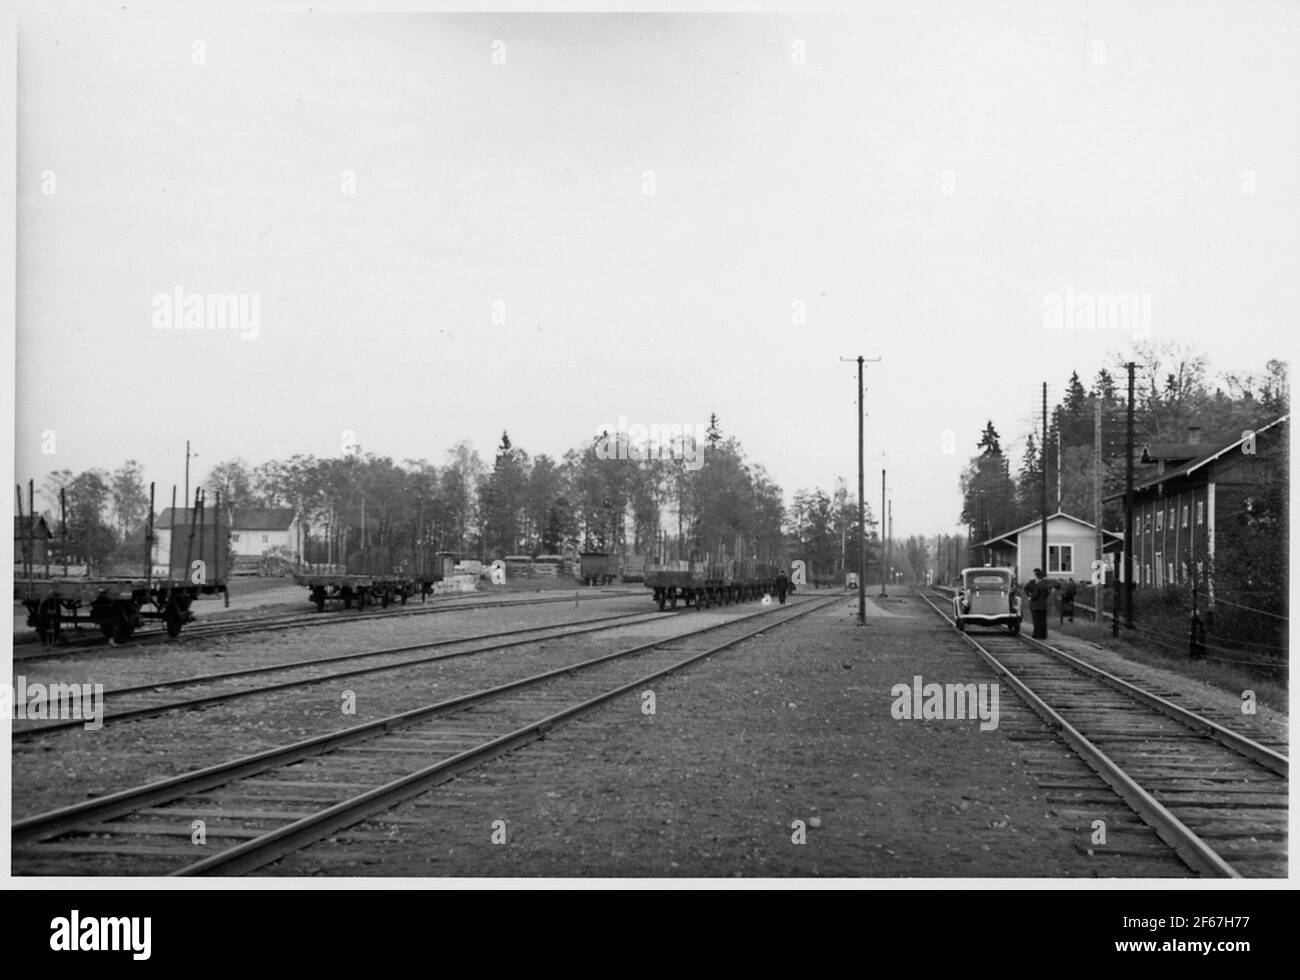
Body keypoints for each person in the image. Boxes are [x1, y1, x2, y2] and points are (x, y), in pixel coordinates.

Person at [1024, 568, 1058, 639]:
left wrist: (1031, 597)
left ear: (1037, 576)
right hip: (1043, 605)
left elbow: (1035, 595)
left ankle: (1037, 634)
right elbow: (1047, 594)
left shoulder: (1037, 585)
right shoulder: (1044, 585)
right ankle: (1043, 634)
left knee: (1036, 621)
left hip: (1035, 605)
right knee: (1043, 621)